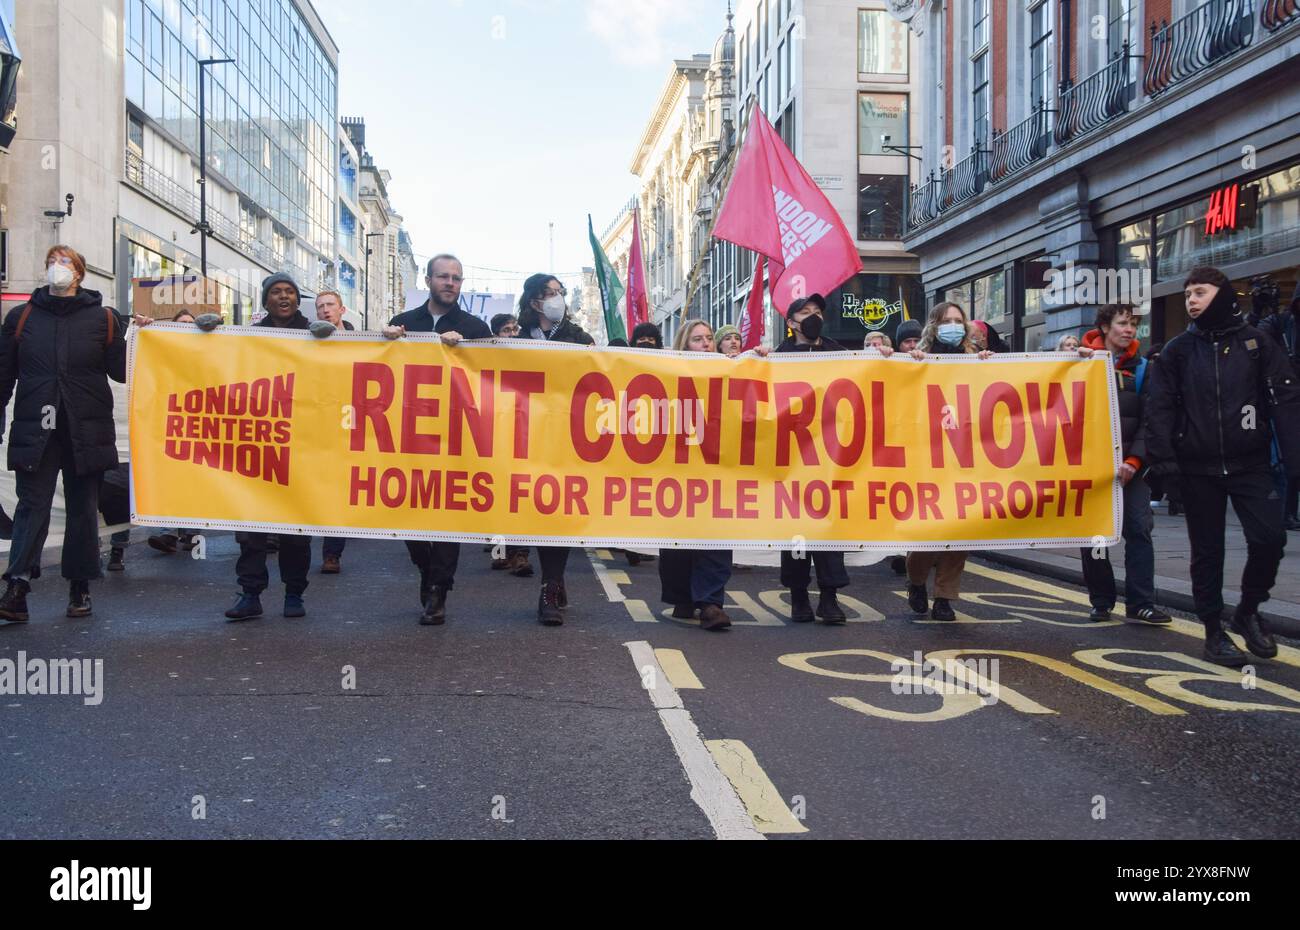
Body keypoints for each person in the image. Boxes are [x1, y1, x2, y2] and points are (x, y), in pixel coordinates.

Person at [1144, 266, 1300, 666]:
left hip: (1250, 465)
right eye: (1187, 295)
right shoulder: (1177, 351)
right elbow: (1158, 410)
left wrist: (1295, 461)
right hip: (1196, 470)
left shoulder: (1258, 344)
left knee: (1269, 538)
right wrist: (1165, 466)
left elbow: (1286, 402)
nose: (1191, 301)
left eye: (1199, 292)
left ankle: (1248, 611)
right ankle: (1214, 631)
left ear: (1224, 294)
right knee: (1207, 553)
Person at [0, 246, 126, 622]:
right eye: (52, 262)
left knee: (83, 510)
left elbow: (121, 371)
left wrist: (137, 337)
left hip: (86, 430)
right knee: (31, 507)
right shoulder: (22, 318)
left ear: (80, 274)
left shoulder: (104, 319)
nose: (58, 268)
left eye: (66, 262)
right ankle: (17, 585)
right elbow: (3, 377)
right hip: (36, 427)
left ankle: (79, 586)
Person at [384, 254, 491, 625]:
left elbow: (491, 378)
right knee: (409, 511)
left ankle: (438, 591)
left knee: (447, 515)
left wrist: (469, 350)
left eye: (457, 278)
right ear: (428, 280)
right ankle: (426, 569)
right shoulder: (403, 323)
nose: (450, 283)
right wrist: (384, 342)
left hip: (455, 434)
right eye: (443, 277)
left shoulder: (475, 326)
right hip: (408, 434)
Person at [220, 274, 317, 621]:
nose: (284, 297)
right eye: (276, 292)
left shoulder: (316, 334)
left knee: (295, 530)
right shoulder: (249, 336)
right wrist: (207, 333)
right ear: (266, 301)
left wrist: (332, 339)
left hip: (300, 444)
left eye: (290, 291)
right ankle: (250, 594)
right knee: (251, 528)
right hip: (257, 440)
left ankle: (294, 593)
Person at [1075, 305, 1170, 624]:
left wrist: (1134, 460)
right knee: (1095, 537)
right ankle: (1101, 601)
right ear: (1104, 327)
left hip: (1132, 468)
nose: (1129, 330)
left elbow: (1150, 419)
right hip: (1091, 468)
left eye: (1132, 324)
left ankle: (1141, 602)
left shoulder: (1144, 369)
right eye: (1122, 323)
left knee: (1139, 530)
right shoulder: (1078, 362)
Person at [903, 302, 993, 621]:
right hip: (929, 458)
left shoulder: (976, 359)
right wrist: (909, 365)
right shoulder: (919, 359)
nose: (953, 325)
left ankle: (944, 597)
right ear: (934, 326)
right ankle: (916, 581)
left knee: (959, 534)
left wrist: (990, 367)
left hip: (966, 457)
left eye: (958, 320)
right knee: (930, 534)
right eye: (947, 321)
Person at [515, 274, 595, 624]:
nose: (558, 298)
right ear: (535, 301)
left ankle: (549, 586)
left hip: (567, 440)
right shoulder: (517, 341)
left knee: (558, 513)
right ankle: (555, 580)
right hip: (527, 439)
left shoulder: (579, 339)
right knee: (537, 514)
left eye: (560, 293)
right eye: (551, 293)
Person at [773, 295, 849, 622]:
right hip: (794, 458)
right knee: (798, 532)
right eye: (805, 313)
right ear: (791, 322)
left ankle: (830, 597)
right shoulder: (779, 357)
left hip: (832, 456)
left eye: (817, 312)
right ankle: (799, 595)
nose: (812, 317)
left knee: (830, 530)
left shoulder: (841, 354)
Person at [658, 320, 733, 631]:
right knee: (680, 537)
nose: (706, 344)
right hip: (679, 467)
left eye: (708, 339)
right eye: (697, 339)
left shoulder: (732, 371)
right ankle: (684, 597)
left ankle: (711, 603)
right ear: (683, 345)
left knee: (716, 533)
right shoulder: (669, 375)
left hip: (718, 468)